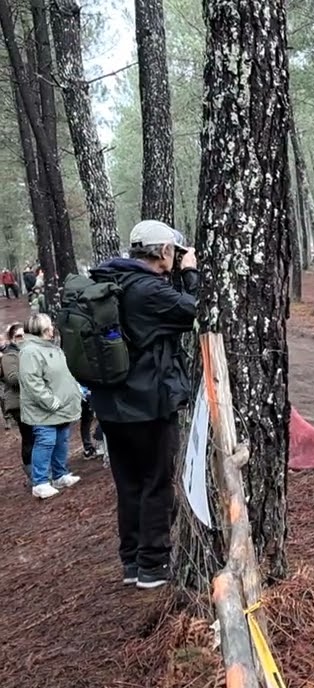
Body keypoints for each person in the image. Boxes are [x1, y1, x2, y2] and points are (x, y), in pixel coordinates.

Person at [89, 220, 199, 589]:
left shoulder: (109, 281)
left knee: (130, 484)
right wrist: (191, 274)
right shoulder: (150, 291)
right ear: (163, 251)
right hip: (147, 405)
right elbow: (195, 311)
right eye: (174, 250)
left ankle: (132, 562)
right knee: (156, 481)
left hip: (110, 406)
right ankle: (153, 566)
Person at [18, 313, 82, 499]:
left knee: (61, 440)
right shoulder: (30, 351)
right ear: (41, 330)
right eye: (48, 327)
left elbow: (64, 374)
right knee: (45, 443)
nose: (52, 329)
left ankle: (60, 474)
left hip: (61, 407)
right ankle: (40, 482)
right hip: (45, 410)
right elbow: (32, 382)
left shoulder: (52, 348)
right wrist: (50, 401)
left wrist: (76, 391)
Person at [2, 323, 33, 486]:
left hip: (31, 400)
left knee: (37, 436)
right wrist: (33, 373)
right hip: (18, 402)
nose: (22, 339)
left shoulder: (27, 351)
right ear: (13, 338)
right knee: (29, 437)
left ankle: (40, 470)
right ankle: (31, 473)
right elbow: (13, 378)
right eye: (19, 336)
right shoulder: (9, 355)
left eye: (24, 335)